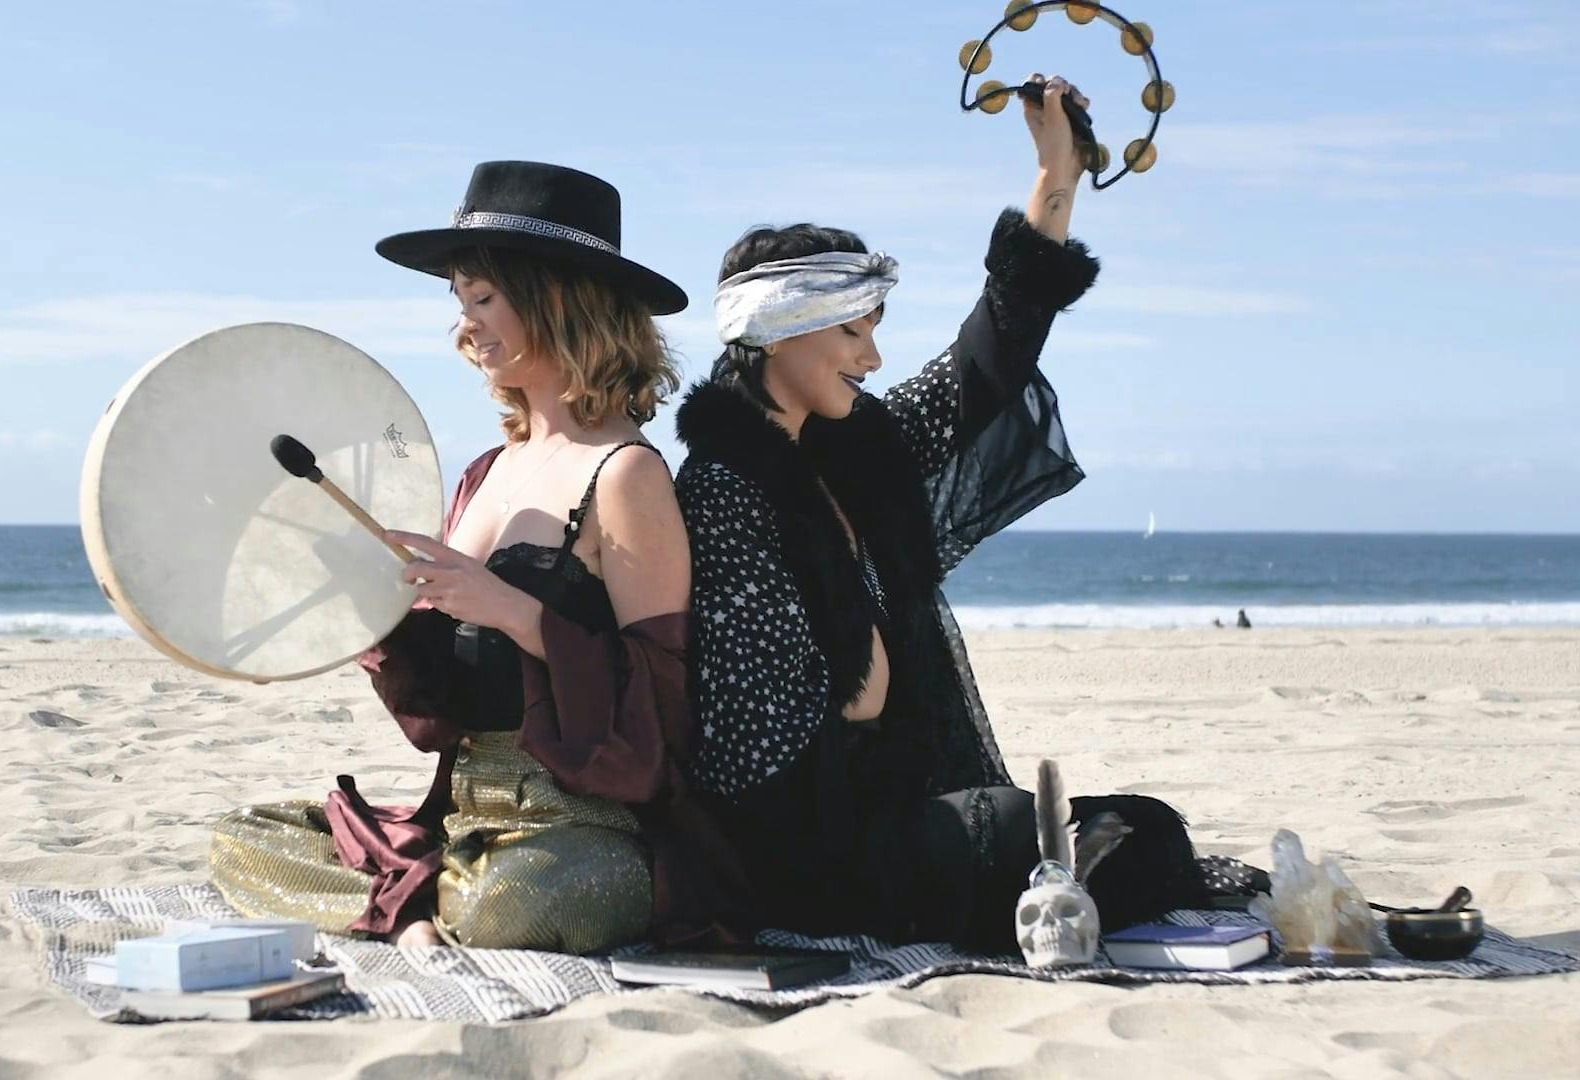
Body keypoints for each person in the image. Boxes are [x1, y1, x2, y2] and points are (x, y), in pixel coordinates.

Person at [674, 76, 1261, 952]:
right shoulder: (721, 489)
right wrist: (861, 686)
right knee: (1055, 838)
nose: (873, 357)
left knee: (1142, 828)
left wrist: (1054, 173)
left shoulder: (853, 452)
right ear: (779, 329)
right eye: (852, 332)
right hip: (809, 851)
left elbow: (986, 358)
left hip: (892, 807)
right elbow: (750, 746)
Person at [210, 162, 742, 952]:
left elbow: (666, 703)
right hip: (458, 814)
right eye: (460, 305)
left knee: (510, 906)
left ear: (559, 297)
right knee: (240, 834)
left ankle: (414, 911)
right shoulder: (484, 475)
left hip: (583, 826)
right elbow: (446, 708)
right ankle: (423, 907)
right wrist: (379, 614)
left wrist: (518, 614)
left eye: (484, 299)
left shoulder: (625, 472)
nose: (465, 327)